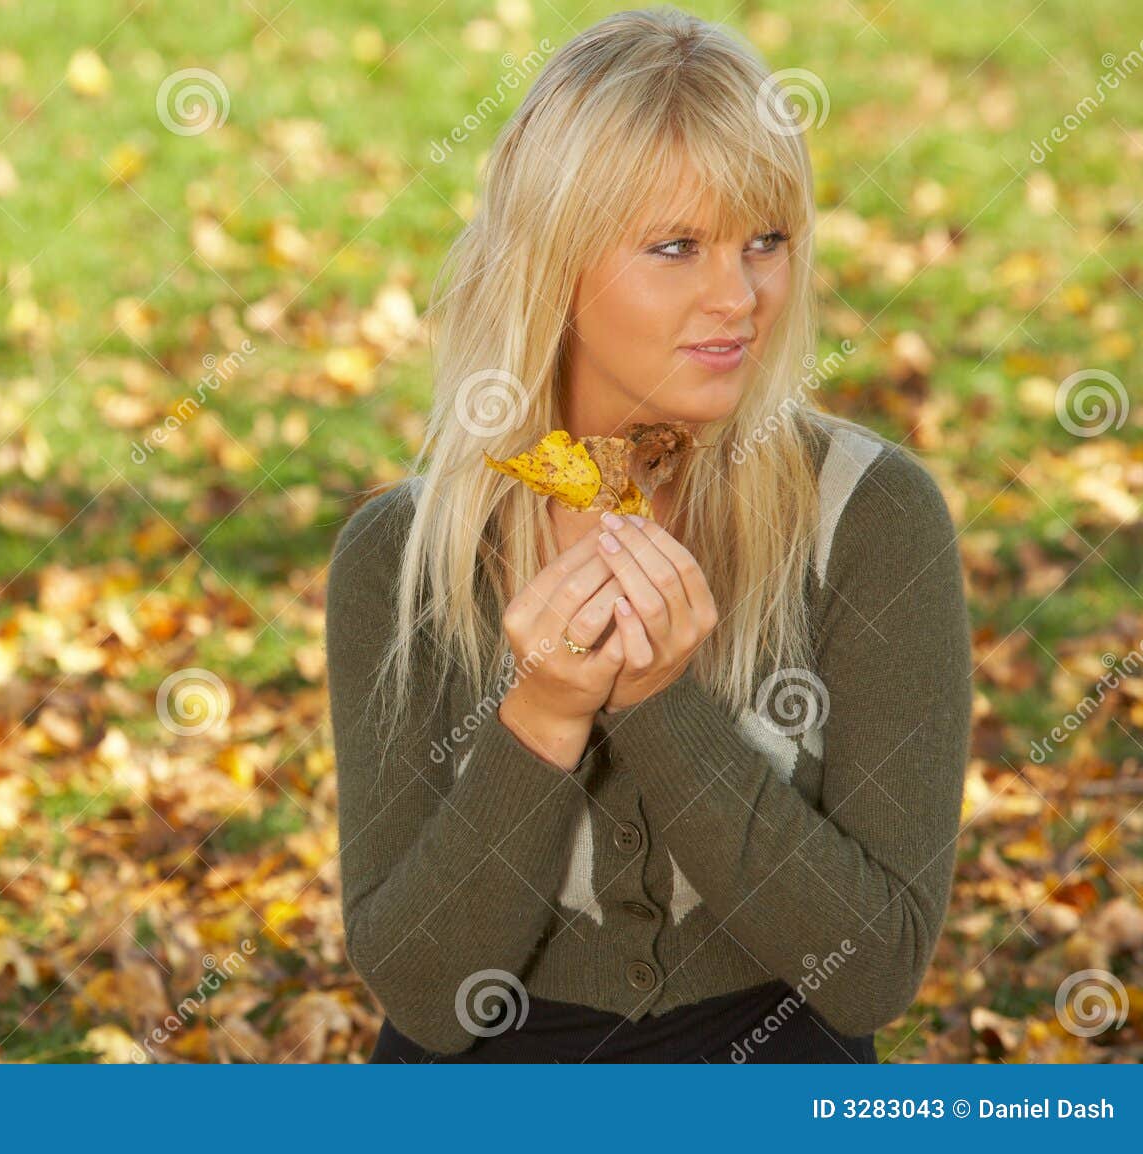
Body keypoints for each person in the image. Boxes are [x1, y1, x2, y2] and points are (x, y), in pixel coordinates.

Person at [324, 7, 973, 1063]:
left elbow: (869, 972)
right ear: (553, 263)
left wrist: (665, 707)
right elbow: (425, 993)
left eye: (765, 241)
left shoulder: (870, 516)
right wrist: (537, 718)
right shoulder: (401, 560)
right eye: (676, 247)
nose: (739, 296)